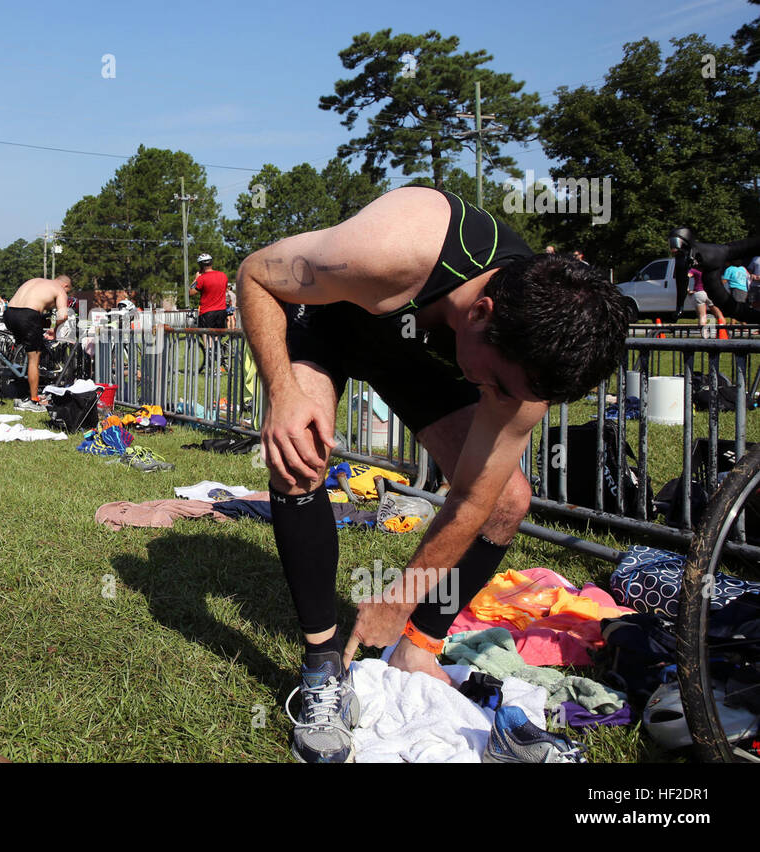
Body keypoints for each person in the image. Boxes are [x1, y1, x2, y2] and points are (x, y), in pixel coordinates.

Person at [237, 185, 629, 763]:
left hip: (414, 353)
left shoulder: (530, 362)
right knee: (299, 455)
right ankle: (322, 665)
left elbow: (474, 496)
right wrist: (285, 391)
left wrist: (405, 594)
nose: (497, 399)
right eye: (495, 385)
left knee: (508, 499)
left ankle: (417, 649)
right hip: (331, 322)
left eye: (509, 394)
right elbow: (254, 275)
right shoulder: (390, 249)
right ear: (481, 312)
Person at [3, 274, 71, 411]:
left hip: (9, 313)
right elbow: (63, 315)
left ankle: (21, 387)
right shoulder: (60, 289)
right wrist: (55, 329)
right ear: (65, 286)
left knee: (28, 349)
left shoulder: (35, 280)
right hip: (27, 315)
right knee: (34, 357)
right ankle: (33, 401)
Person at [190, 253, 229, 330]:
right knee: (218, 335)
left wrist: (196, 278)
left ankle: (209, 343)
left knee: (206, 335)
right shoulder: (223, 275)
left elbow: (191, 292)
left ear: (201, 265)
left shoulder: (202, 278)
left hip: (207, 312)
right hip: (222, 311)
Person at [687, 262, 725, 335]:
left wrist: (687, 290)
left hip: (699, 293)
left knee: (702, 315)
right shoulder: (711, 269)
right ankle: (722, 331)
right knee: (718, 314)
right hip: (710, 292)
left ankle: (703, 333)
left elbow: (685, 278)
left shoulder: (694, 270)